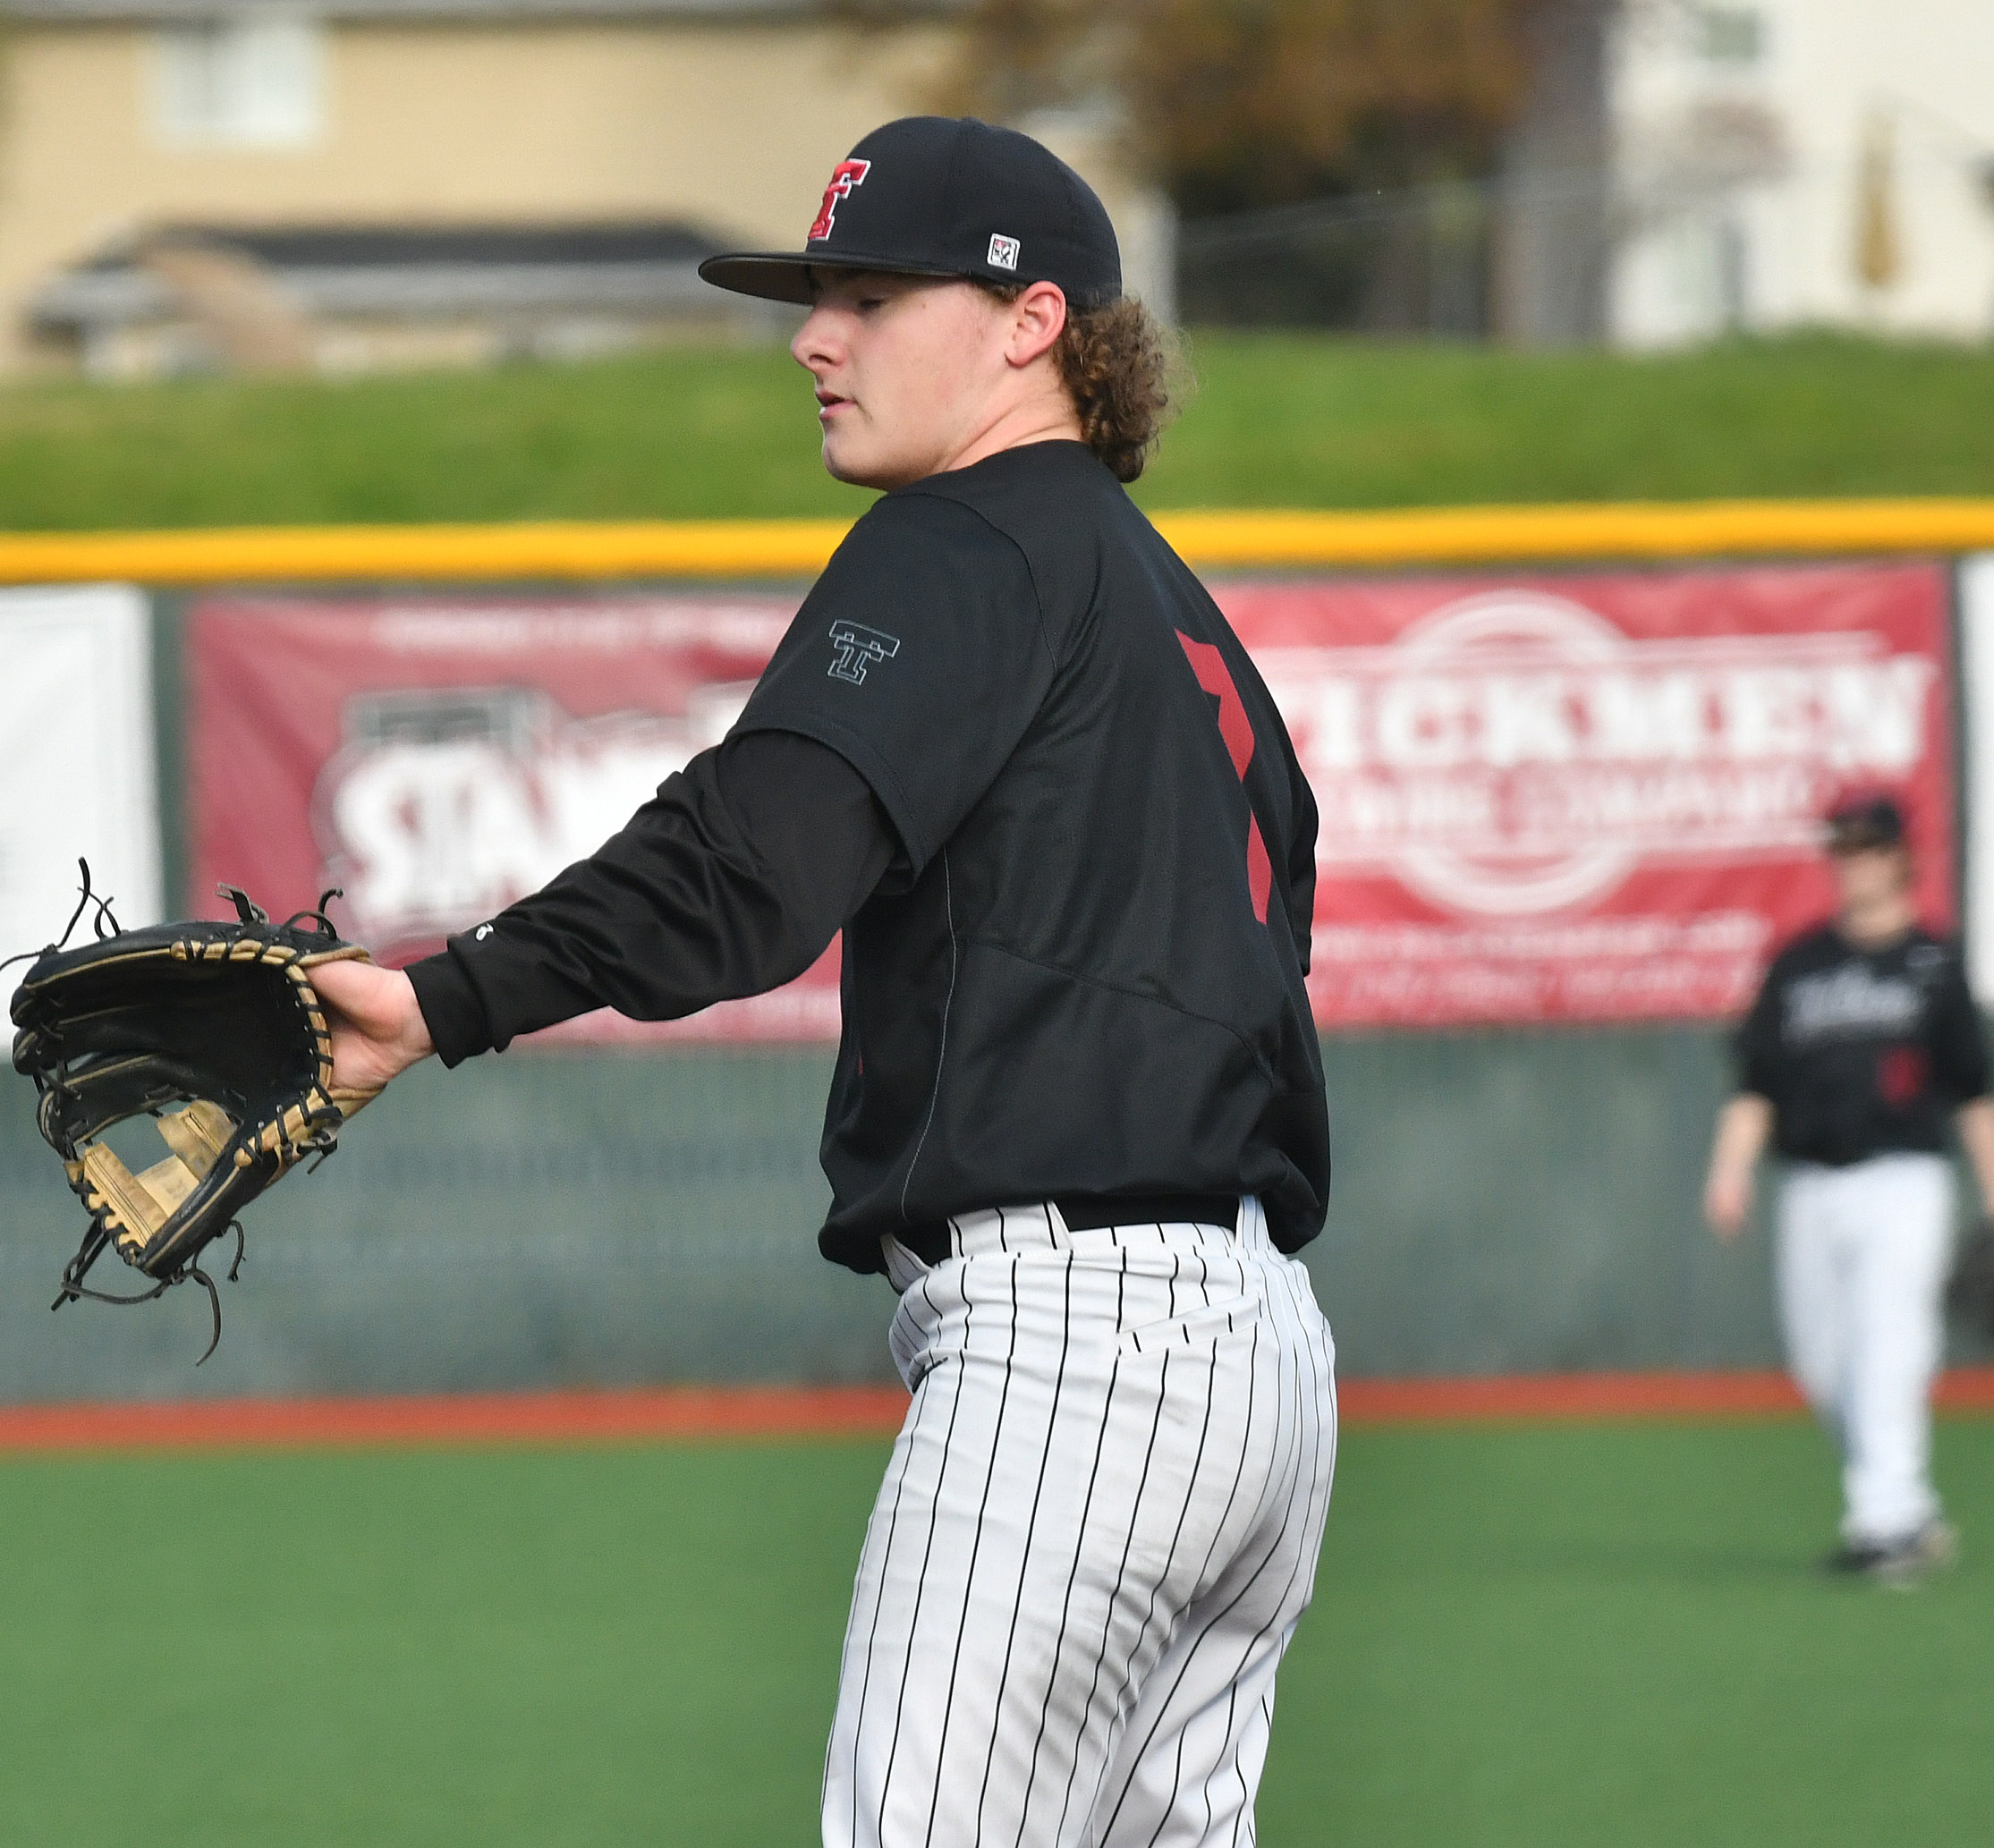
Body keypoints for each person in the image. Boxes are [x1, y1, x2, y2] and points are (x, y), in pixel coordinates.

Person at [313, 115, 1335, 1847]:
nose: (811, 336)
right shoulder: (1170, 614)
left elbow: (750, 859)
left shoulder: (968, 543)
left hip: (1070, 1358)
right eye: (814, 299)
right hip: (1256, 1371)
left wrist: (445, 997)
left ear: (1029, 324)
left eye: (868, 296)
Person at [1704, 792, 1991, 1585]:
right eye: (1842, 847)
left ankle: (1888, 1520)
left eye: (1866, 847)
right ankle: (1906, 1508)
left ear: (1901, 858)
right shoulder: (1798, 966)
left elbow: (1971, 1092)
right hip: (1809, 1183)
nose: (1851, 862)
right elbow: (1755, 1081)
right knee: (1822, 1363)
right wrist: (1729, 1169)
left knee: (1888, 1347)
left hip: (1905, 1180)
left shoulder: (1932, 966)